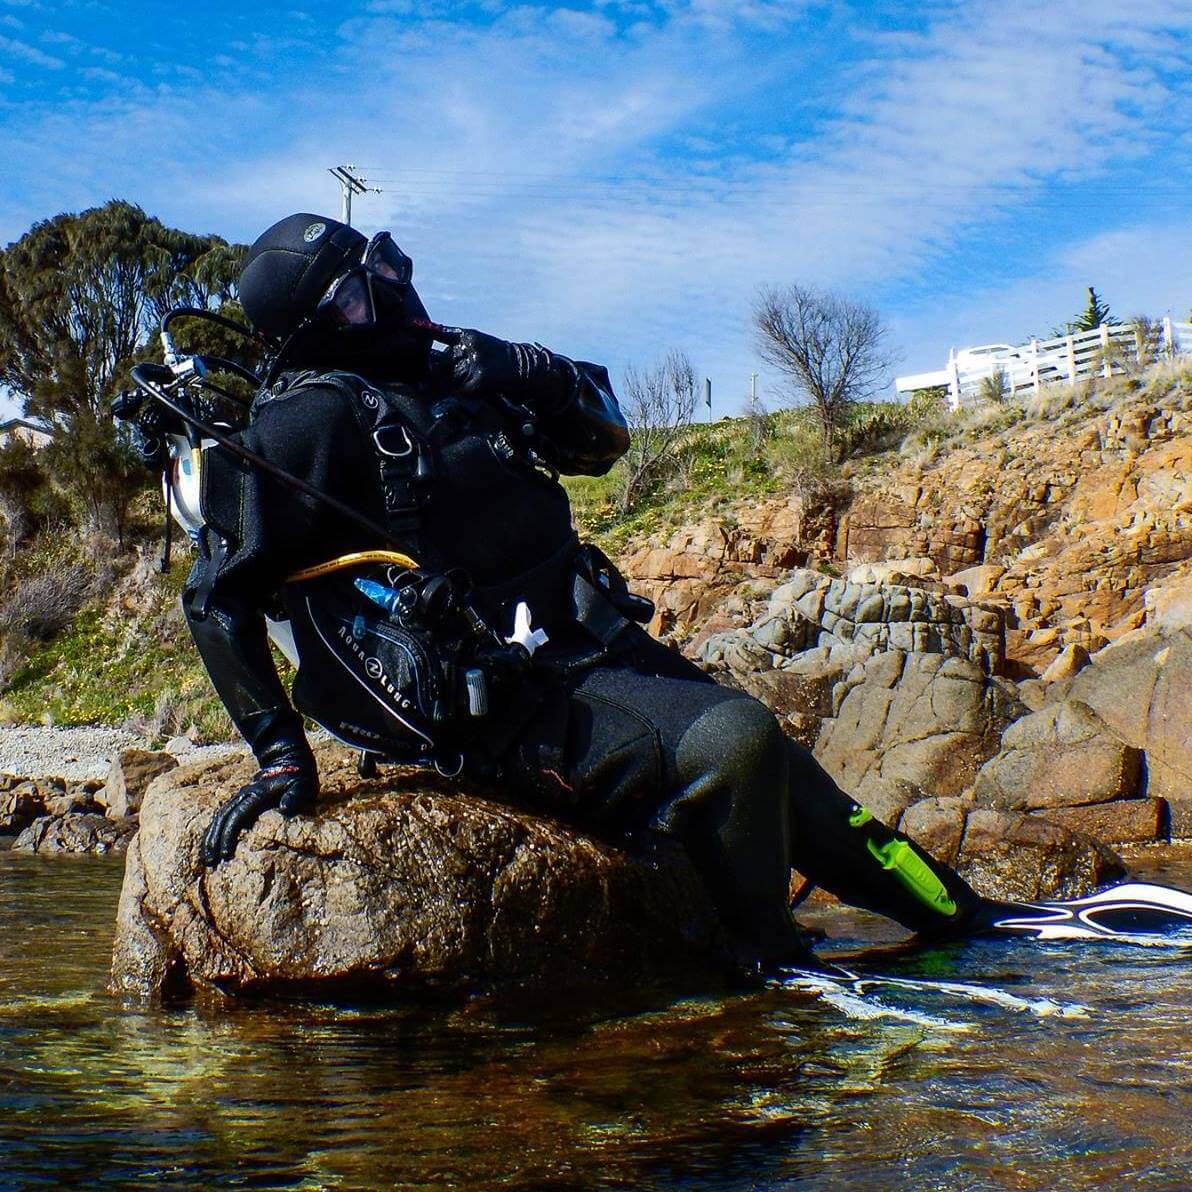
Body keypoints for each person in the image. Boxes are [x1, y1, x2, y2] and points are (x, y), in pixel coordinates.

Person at [165, 212, 992, 971]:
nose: (390, 284)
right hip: (504, 708)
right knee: (734, 742)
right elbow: (214, 599)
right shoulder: (303, 423)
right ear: (316, 331)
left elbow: (603, 444)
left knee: (781, 766)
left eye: (385, 260)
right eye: (356, 291)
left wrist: (532, 370)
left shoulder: (452, 368)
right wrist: (279, 756)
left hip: (594, 650)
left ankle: (953, 914)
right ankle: (764, 962)